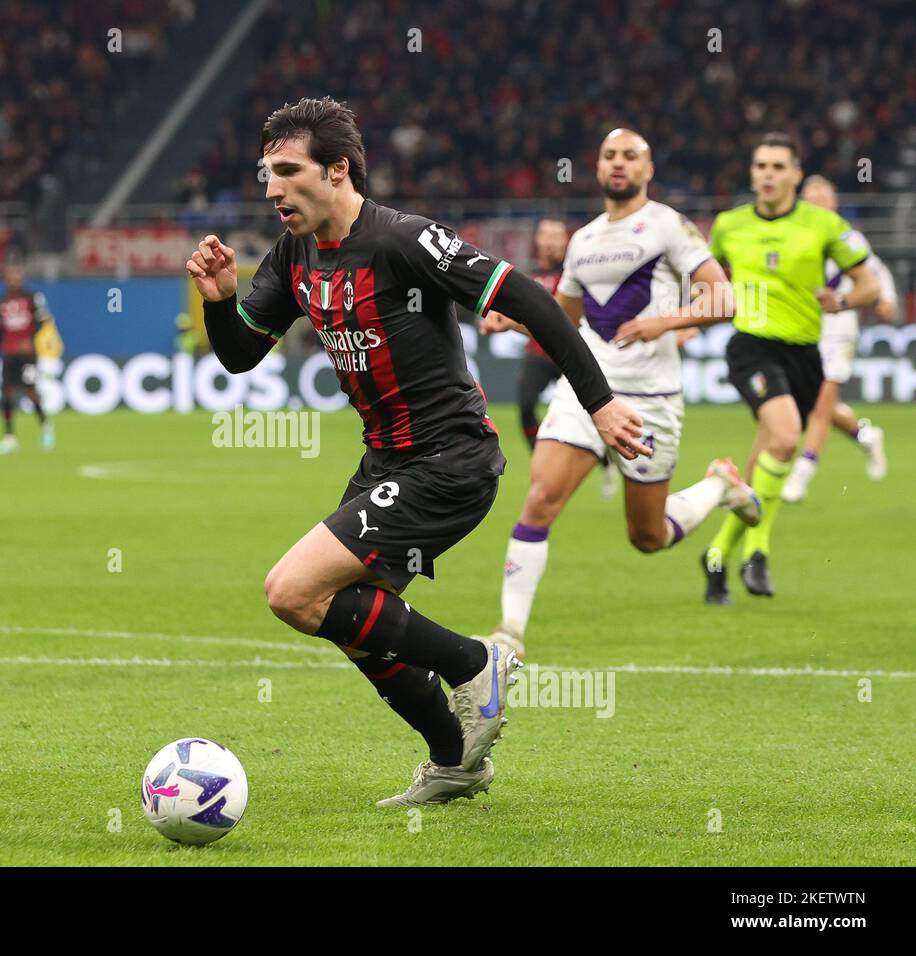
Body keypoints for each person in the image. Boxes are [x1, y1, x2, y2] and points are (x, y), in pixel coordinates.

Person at [185, 97, 648, 806]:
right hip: (385, 463)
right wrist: (220, 300)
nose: (271, 188)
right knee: (357, 627)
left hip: (450, 459)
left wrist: (601, 401)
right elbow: (243, 354)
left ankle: (475, 663)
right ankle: (456, 763)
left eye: (287, 171)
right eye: (265, 172)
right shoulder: (296, 252)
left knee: (291, 592)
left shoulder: (403, 240)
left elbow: (526, 296)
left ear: (338, 170)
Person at [480, 129, 758, 655]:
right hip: (587, 392)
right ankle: (509, 632)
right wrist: (513, 321)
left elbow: (724, 300)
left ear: (647, 170)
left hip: (650, 400)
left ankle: (720, 485)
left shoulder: (668, 226)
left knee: (647, 537)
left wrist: (665, 323)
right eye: (610, 155)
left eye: (631, 156)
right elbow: (564, 322)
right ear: (598, 166)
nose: (619, 163)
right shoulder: (582, 240)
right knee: (540, 499)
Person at [668, 133, 876, 601]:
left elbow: (870, 286)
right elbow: (709, 285)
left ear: (796, 175)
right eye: (760, 165)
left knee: (766, 457)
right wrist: (688, 323)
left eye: (778, 167)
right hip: (751, 348)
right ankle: (757, 552)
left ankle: (718, 553)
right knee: (785, 439)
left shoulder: (824, 225)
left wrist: (841, 299)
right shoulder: (728, 225)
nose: (767, 174)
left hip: (804, 354)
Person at [484, 219, 619, 494]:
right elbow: (533, 323)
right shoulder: (527, 276)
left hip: (571, 353)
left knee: (592, 409)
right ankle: (545, 465)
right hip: (539, 353)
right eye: (544, 235)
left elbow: (569, 321)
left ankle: (605, 460)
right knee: (524, 406)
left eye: (555, 236)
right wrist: (504, 321)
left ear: (565, 241)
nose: (549, 241)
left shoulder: (575, 274)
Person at [782, 176, 896, 501]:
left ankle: (802, 474)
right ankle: (865, 434)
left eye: (823, 194)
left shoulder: (847, 236)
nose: (817, 199)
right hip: (801, 326)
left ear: (834, 202)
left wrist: (886, 298)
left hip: (839, 326)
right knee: (811, 402)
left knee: (820, 403)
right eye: (811, 194)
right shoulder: (792, 235)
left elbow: (875, 271)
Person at [0, 264, 56, 453]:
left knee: (30, 391)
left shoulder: (32, 298)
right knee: (7, 393)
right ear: (5, 279)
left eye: (16, 274)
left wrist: (30, 339)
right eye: (10, 275)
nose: (13, 278)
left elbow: (44, 320)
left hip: (27, 355)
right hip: (8, 353)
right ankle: (9, 437)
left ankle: (46, 427)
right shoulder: (0, 302)